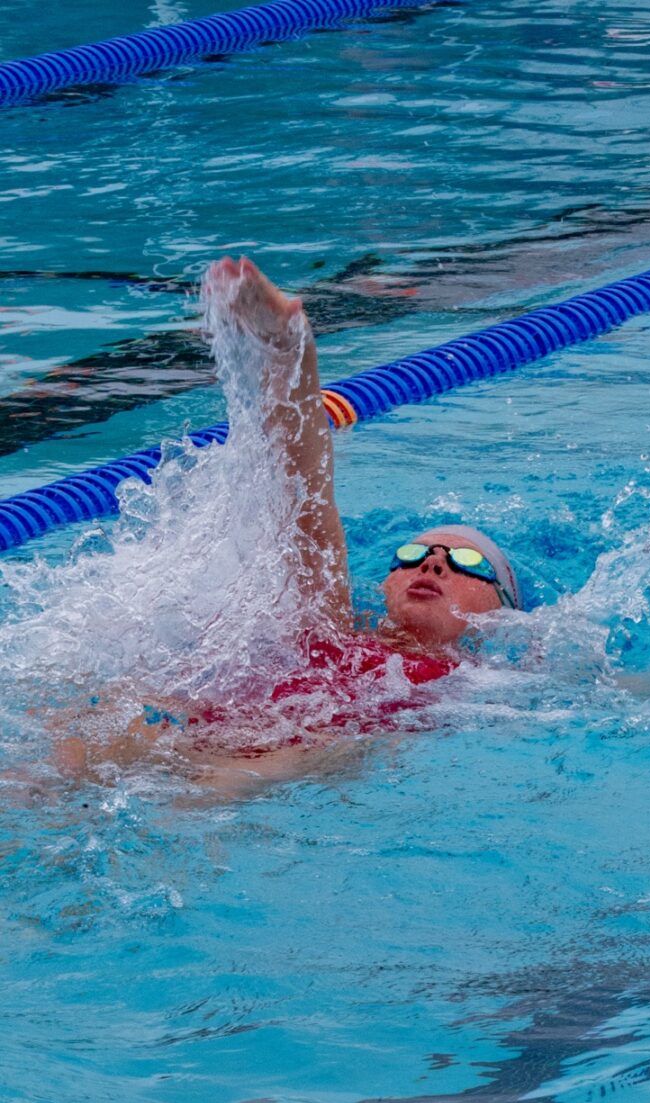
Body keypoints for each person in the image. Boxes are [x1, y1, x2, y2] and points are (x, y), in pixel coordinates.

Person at [58, 257, 521, 781]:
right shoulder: (329, 623)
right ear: (385, 584)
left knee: (255, 771)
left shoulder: (482, 688)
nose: (433, 563)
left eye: (466, 563)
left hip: (267, 770)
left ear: (503, 609)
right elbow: (306, 496)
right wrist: (287, 347)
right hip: (198, 730)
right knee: (89, 723)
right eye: (413, 555)